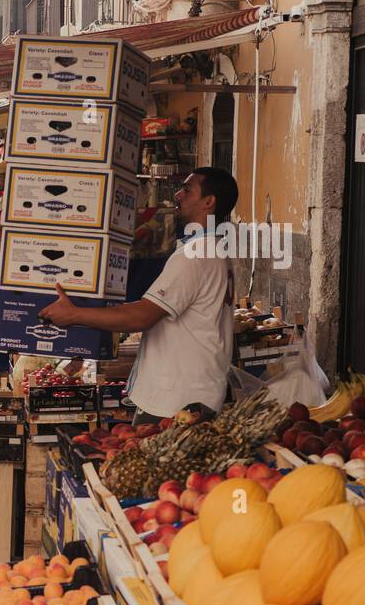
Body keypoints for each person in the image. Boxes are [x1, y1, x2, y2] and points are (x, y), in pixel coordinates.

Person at [40, 166, 239, 425]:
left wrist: (73, 314)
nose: (178, 195)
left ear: (209, 202)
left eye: (187, 190)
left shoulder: (196, 255)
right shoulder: (212, 249)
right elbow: (152, 307)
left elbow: (142, 317)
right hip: (194, 394)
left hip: (177, 402)